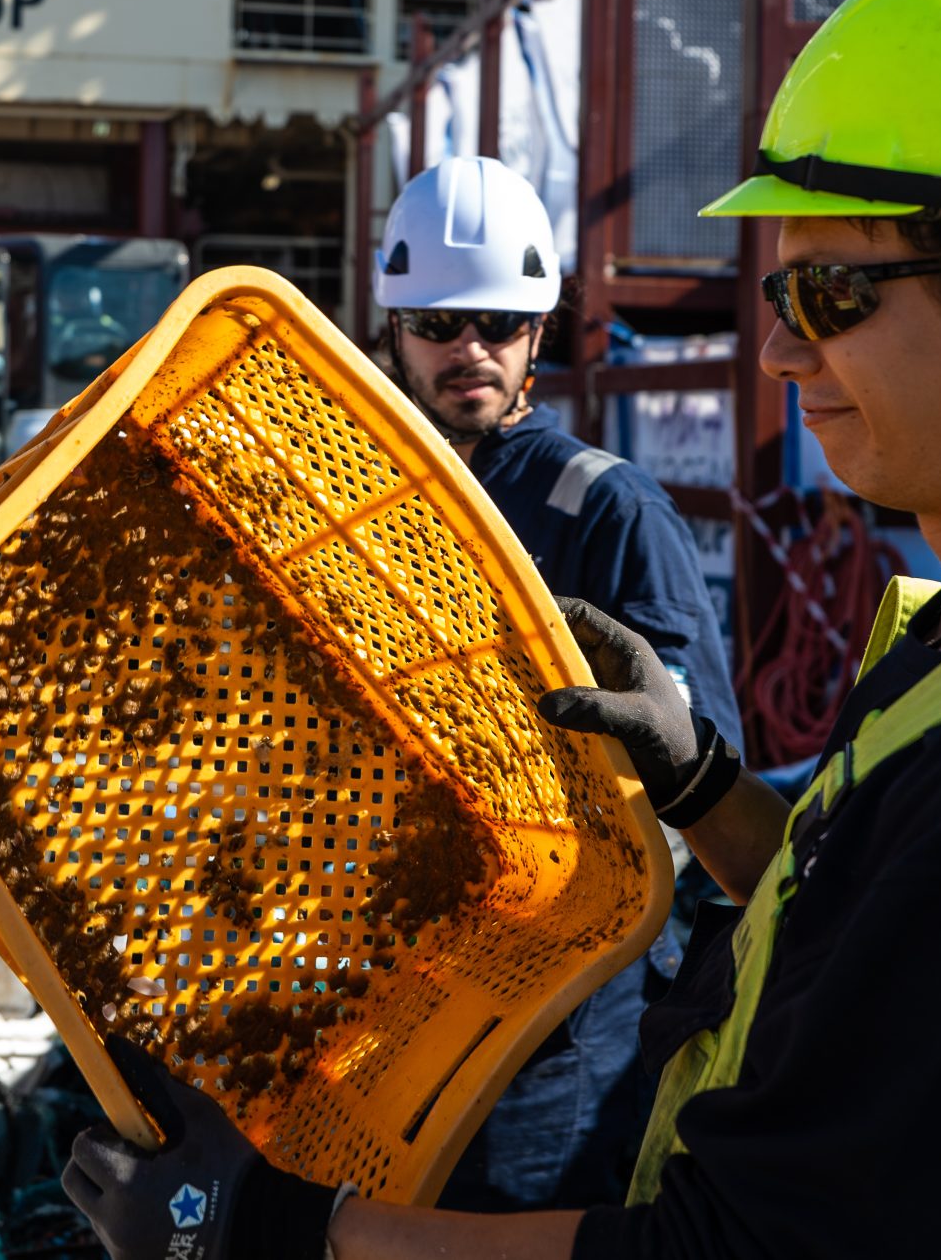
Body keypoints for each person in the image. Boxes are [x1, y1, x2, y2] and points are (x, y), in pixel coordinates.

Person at [61, 0, 941, 1259]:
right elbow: (857, 948)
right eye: (780, 293)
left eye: (829, 292)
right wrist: (703, 781)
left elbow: (739, 1252)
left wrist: (279, 1227)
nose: (776, 348)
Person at [372, 153, 738, 1210]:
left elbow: (697, 753)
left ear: (539, 332)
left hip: (561, 1015)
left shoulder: (607, 508)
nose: (470, 349)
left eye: (498, 322)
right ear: (394, 329)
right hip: (396, 975)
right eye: (438, 323)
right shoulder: (369, 496)